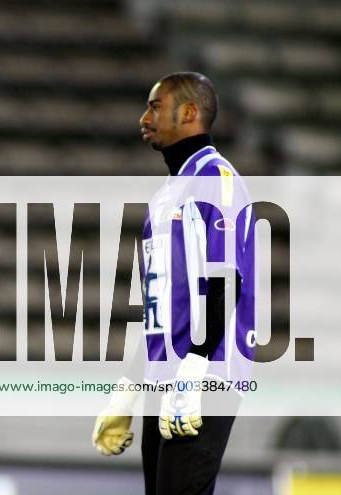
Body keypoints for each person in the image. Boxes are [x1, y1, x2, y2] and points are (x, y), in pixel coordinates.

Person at [92, 72, 256, 495]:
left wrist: (197, 366)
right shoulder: (167, 196)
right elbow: (158, 310)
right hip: (168, 374)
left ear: (188, 112)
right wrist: (128, 390)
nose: (145, 116)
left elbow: (227, 278)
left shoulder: (215, 181)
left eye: (155, 105)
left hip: (206, 375)